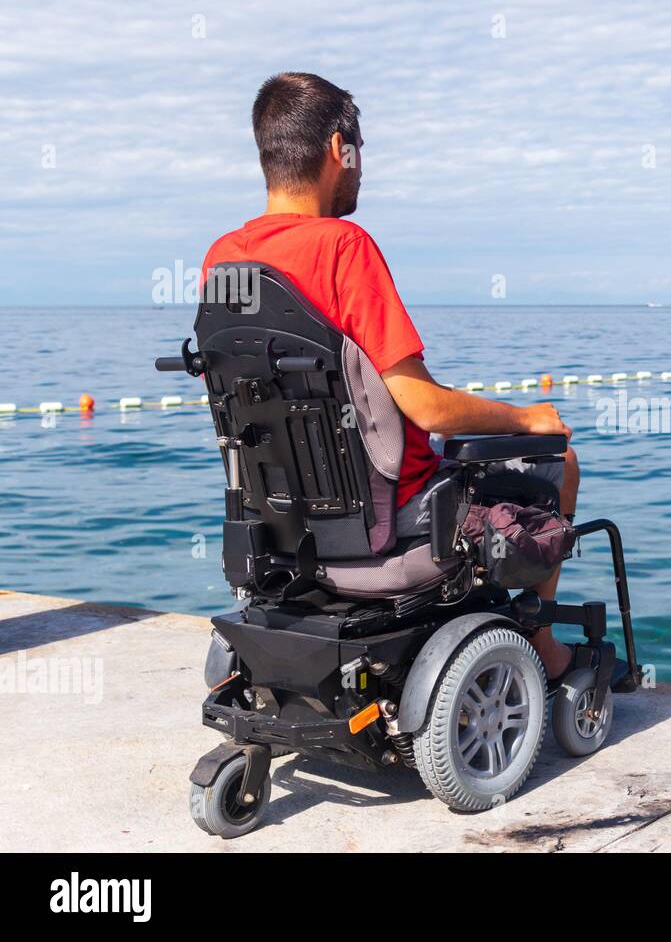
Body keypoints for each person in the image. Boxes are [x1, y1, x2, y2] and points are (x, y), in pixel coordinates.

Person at [202, 72, 576, 679]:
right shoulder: (344, 248)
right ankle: (543, 642)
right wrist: (526, 417)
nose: (360, 169)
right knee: (559, 457)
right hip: (389, 522)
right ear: (336, 149)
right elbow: (424, 406)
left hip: (282, 526)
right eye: (360, 152)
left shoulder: (223, 258)